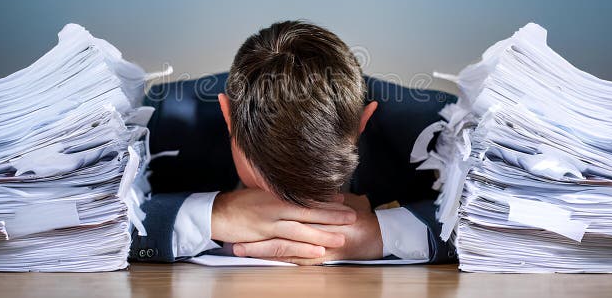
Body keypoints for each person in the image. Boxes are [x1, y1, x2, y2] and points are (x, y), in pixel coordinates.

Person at [130, 21, 456, 265]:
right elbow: (83, 216)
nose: (288, 213)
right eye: (266, 171)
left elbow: (503, 216)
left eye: (310, 175)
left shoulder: (435, 122)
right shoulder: (164, 118)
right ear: (228, 116)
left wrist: (383, 234)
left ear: (362, 123)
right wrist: (210, 216)